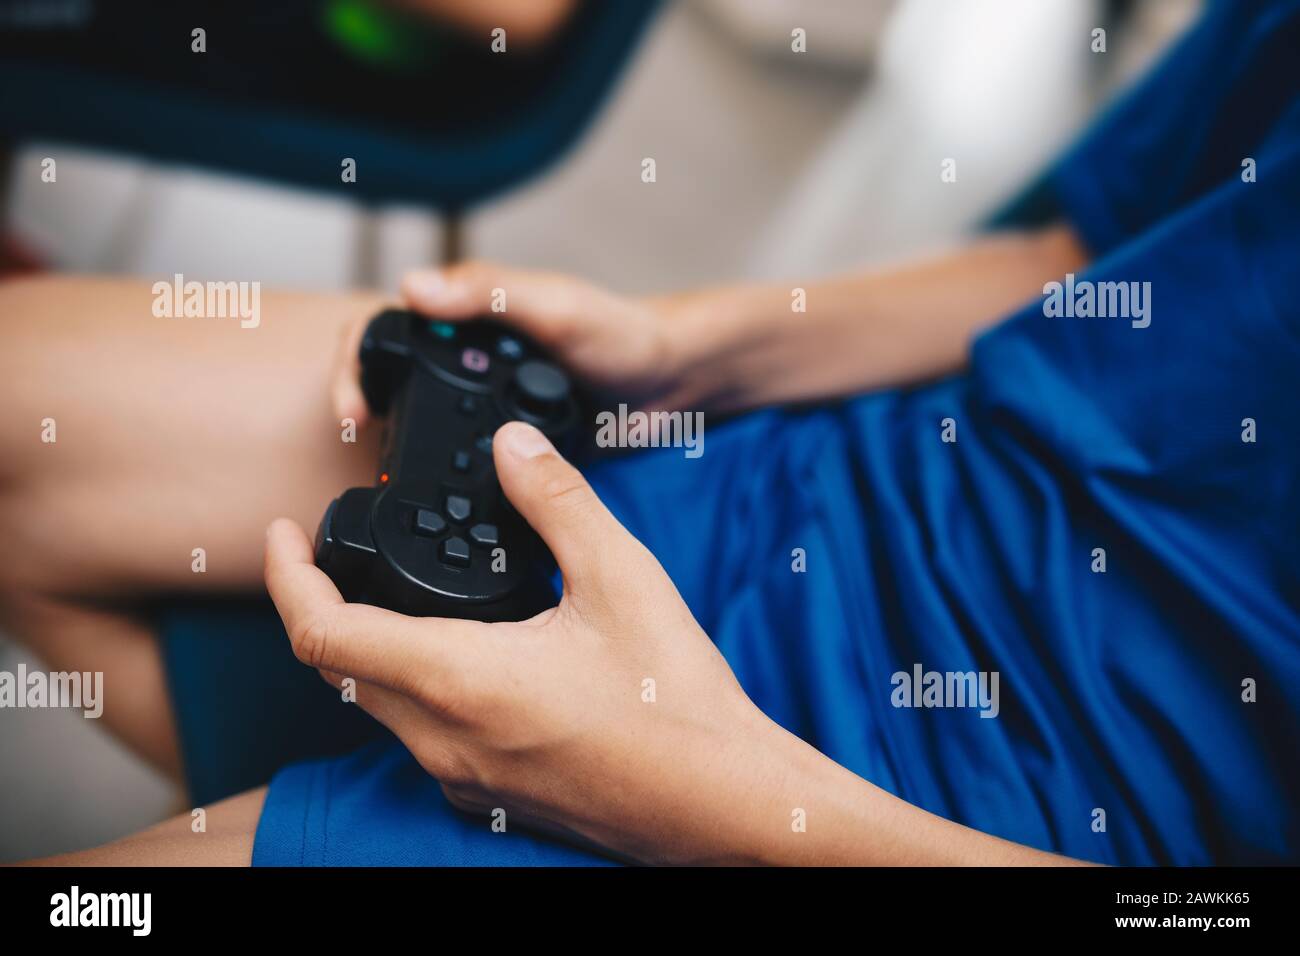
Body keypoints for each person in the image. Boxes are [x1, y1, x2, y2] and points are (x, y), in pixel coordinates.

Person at [5, 0, 1298, 866]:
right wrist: (684, 343)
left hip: (913, 812)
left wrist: (693, 797)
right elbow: (1089, 248)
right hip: (840, 482)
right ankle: (304, 757)